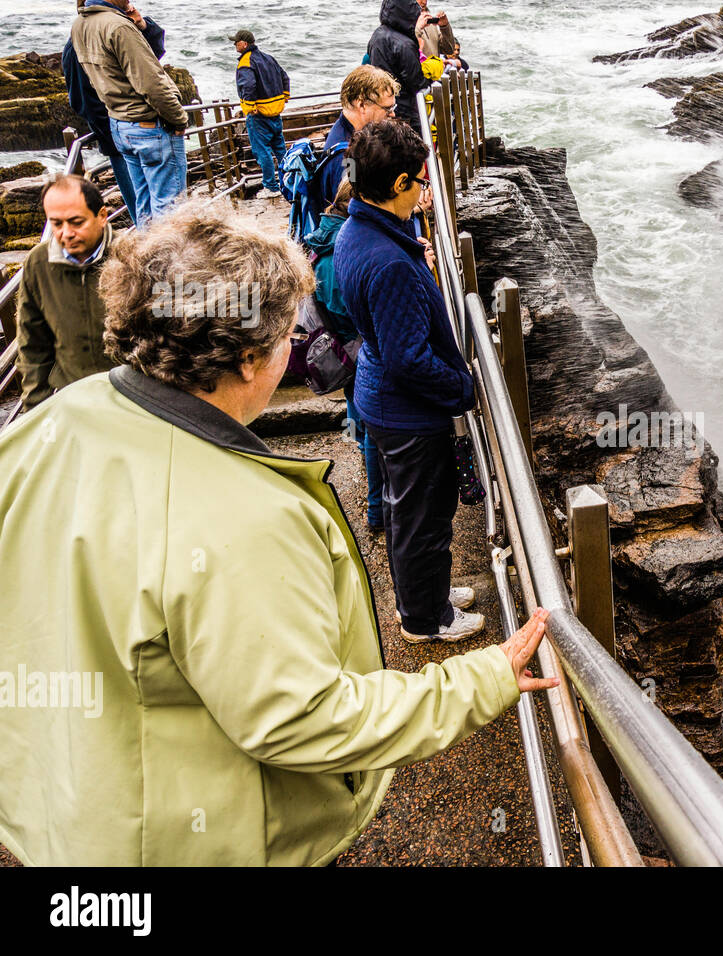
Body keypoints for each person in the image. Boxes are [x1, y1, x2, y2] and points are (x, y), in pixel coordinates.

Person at [0, 197, 558, 866]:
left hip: (55, 805)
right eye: (286, 338)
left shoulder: (48, 423)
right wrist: (481, 680)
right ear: (243, 359)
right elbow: (301, 717)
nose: (294, 348)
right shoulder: (240, 516)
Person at [334, 120, 482, 643]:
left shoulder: (360, 230)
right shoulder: (388, 261)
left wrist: (411, 251)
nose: (424, 192)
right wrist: (464, 389)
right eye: (419, 182)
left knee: (405, 511)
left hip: (382, 399)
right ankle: (426, 619)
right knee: (423, 518)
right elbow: (410, 360)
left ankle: (426, 595)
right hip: (408, 411)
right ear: (398, 185)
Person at [305, 179, 386, 532]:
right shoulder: (339, 251)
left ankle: (359, 450)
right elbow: (351, 310)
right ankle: (377, 510)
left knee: (357, 417)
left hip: (344, 348)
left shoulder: (326, 235)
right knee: (371, 429)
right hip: (354, 351)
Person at [71, 0, 189, 224]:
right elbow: (151, 83)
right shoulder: (119, 27)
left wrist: (141, 25)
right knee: (171, 209)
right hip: (148, 126)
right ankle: (168, 259)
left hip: (121, 124)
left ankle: (148, 258)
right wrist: (179, 119)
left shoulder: (80, 24)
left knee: (143, 205)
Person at [15, 174, 119, 412]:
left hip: (132, 400)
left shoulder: (134, 256)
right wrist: (35, 409)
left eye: (76, 222)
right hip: (73, 400)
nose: (66, 233)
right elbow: (33, 342)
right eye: (57, 224)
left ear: (102, 216)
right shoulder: (38, 263)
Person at [306, 64, 400, 226]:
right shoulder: (347, 157)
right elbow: (356, 213)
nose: (392, 114)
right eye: (387, 108)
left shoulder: (348, 136)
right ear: (361, 104)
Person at [230, 29, 290, 200]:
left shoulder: (245, 62)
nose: (235, 45)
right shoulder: (269, 58)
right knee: (280, 149)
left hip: (259, 115)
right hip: (275, 113)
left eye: (236, 42)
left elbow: (248, 85)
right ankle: (289, 180)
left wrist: (250, 106)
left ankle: (271, 187)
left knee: (261, 151)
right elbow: (285, 76)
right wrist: (285, 96)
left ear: (244, 44)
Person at [367, 0, 431, 127]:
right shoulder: (405, 44)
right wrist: (430, 82)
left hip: (382, 104)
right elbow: (416, 81)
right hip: (405, 108)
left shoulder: (376, 36)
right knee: (414, 142)